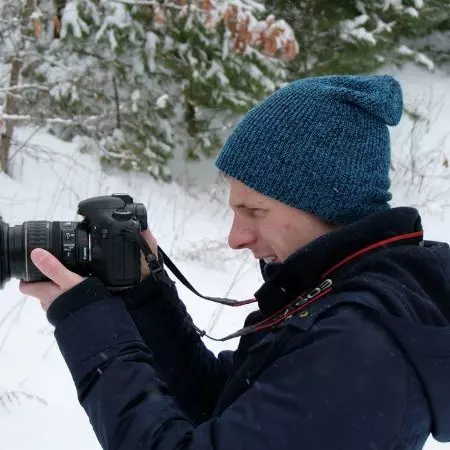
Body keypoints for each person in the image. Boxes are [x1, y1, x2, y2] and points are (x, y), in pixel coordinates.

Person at [20, 75, 450, 450]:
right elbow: (218, 406)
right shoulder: (334, 297)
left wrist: (91, 329)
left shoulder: (361, 345)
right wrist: (144, 296)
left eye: (255, 211)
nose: (234, 238)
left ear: (328, 205)